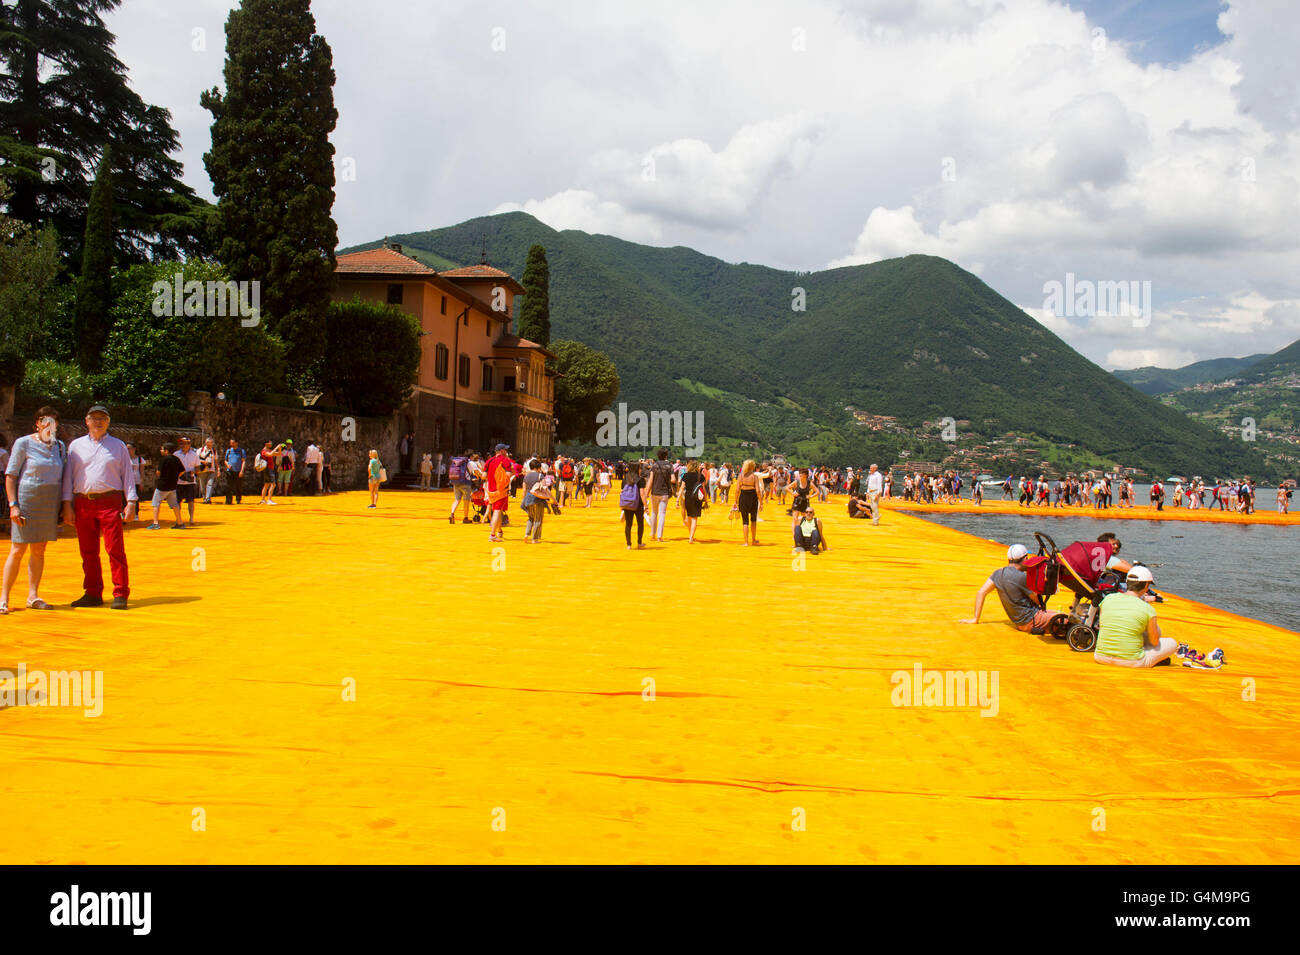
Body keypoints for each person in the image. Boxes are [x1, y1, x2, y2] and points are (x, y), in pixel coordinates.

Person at [61, 404, 137, 610]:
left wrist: (131, 502)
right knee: (88, 551)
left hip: (109, 501)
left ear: (108, 422)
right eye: (94, 418)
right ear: (86, 421)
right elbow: (69, 476)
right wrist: (67, 504)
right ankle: (92, 592)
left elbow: (127, 475)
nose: (98, 422)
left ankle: (120, 592)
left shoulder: (118, 445)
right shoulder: (75, 446)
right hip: (83, 502)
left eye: (102, 418)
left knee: (115, 549)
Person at [2, 408, 66, 613]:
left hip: (49, 501)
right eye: (44, 421)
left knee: (39, 550)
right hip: (27, 500)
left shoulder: (60, 447)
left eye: (53, 421)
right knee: (18, 548)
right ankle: (3, 597)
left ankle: (33, 595)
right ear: (37, 423)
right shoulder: (24, 443)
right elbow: (10, 476)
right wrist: (14, 505)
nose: (48, 425)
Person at [959, 544, 1067, 635]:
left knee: (1062, 614)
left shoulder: (998, 574)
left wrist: (975, 619)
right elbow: (1038, 601)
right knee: (1069, 621)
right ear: (1025, 559)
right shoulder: (1022, 577)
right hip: (1032, 620)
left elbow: (981, 592)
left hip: (1020, 621)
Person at [1093, 566, 1178, 668]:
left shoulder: (1108, 599)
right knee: (1172, 643)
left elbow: (1102, 625)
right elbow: (1155, 641)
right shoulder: (1147, 608)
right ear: (1146, 585)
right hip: (1132, 662)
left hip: (1101, 657)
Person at [147, 443, 185, 530]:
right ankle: (180, 522)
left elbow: (158, 472)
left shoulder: (164, 459)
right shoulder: (176, 459)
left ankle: (155, 523)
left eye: (162, 449)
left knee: (156, 503)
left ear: (166, 451)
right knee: (175, 505)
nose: (161, 451)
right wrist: (175, 476)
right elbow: (182, 471)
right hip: (173, 485)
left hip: (162, 485)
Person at [484, 443, 515, 542]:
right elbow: (509, 474)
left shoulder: (489, 461)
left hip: (490, 489)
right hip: (501, 490)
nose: (507, 452)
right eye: (505, 450)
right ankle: (492, 534)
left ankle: (499, 531)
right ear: (501, 451)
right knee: (497, 511)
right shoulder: (505, 460)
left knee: (499, 510)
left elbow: (483, 476)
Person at [619, 461, 649, 549]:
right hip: (638, 505)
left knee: (628, 524)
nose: (641, 470)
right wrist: (646, 506)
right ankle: (639, 543)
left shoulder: (625, 479)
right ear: (636, 469)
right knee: (640, 523)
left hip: (628, 504)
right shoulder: (640, 480)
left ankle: (629, 545)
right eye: (640, 468)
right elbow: (642, 494)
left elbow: (622, 492)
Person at [732, 459, 762, 546]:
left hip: (743, 497)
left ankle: (746, 542)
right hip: (753, 497)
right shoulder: (754, 477)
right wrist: (761, 502)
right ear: (752, 467)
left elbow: (737, 490)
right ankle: (753, 540)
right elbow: (758, 491)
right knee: (753, 520)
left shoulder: (741, 476)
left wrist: (735, 501)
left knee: (745, 521)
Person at [173, 435, 200, 528]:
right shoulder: (176, 454)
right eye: (181, 443)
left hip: (190, 481)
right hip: (178, 481)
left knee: (191, 501)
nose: (182, 445)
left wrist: (192, 472)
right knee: (177, 501)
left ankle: (191, 518)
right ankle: (178, 518)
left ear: (189, 444)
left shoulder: (195, 455)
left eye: (184, 443)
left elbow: (198, 467)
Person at [648, 449, 674, 542]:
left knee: (654, 512)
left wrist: (646, 492)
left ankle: (652, 534)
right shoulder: (669, 466)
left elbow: (650, 480)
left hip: (655, 492)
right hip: (664, 492)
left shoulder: (654, 465)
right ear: (666, 456)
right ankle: (659, 536)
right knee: (662, 514)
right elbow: (673, 480)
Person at [677, 459, 706, 543]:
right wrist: (706, 500)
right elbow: (703, 488)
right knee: (694, 518)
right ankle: (691, 537)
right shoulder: (700, 476)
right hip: (697, 497)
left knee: (689, 516)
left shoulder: (686, 475)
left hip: (688, 497)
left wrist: (677, 499)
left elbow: (682, 488)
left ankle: (690, 535)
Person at [448, 451, 480, 523]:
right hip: (465, 483)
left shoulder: (457, 462)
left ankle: (452, 514)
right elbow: (477, 472)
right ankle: (465, 518)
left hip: (456, 482)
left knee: (457, 499)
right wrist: (482, 477)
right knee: (466, 501)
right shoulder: (470, 463)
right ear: (471, 456)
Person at [224, 438, 247, 505]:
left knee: (238, 486)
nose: (231, 444)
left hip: (238, 471)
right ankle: (228, 500)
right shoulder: (229, 451)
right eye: (230, 442)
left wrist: (242, 471)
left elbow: (243, 461)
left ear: (236, 443)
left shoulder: (241, 451)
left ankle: (238, 499)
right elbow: (225, 460)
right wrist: (227, 465)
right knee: (229, 486)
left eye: (233, 442)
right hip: (230, 471)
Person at [196, 437, 219, 504]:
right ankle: (204, 498)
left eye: (211, 443)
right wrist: (204, 462)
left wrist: (218, 469)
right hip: (202, 470)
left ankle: (208, 499)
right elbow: (196, 459)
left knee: (210, 484)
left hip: (211, 470)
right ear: (206, 443)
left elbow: (216, 461)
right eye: (208, 443)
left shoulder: (214, 451)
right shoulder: (200, 450)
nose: (209, 444)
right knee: (202, 485)